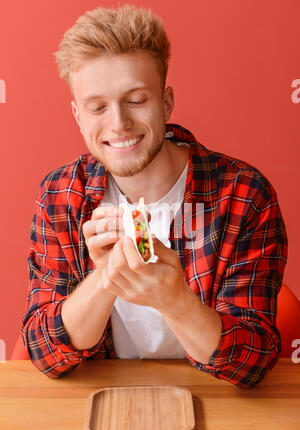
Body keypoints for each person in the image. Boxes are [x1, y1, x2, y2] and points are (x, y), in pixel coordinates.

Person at [21, 4, 288, 388]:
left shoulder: (244, 194)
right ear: (78, 116)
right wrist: (104, 278)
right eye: (98, 107)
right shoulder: (61, 194)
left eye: (136, 100)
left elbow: (254, 362)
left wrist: (174, 299)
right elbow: (44, 354)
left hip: (216, 401)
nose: (119, 123)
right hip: (103, 403)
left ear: (165, 103)